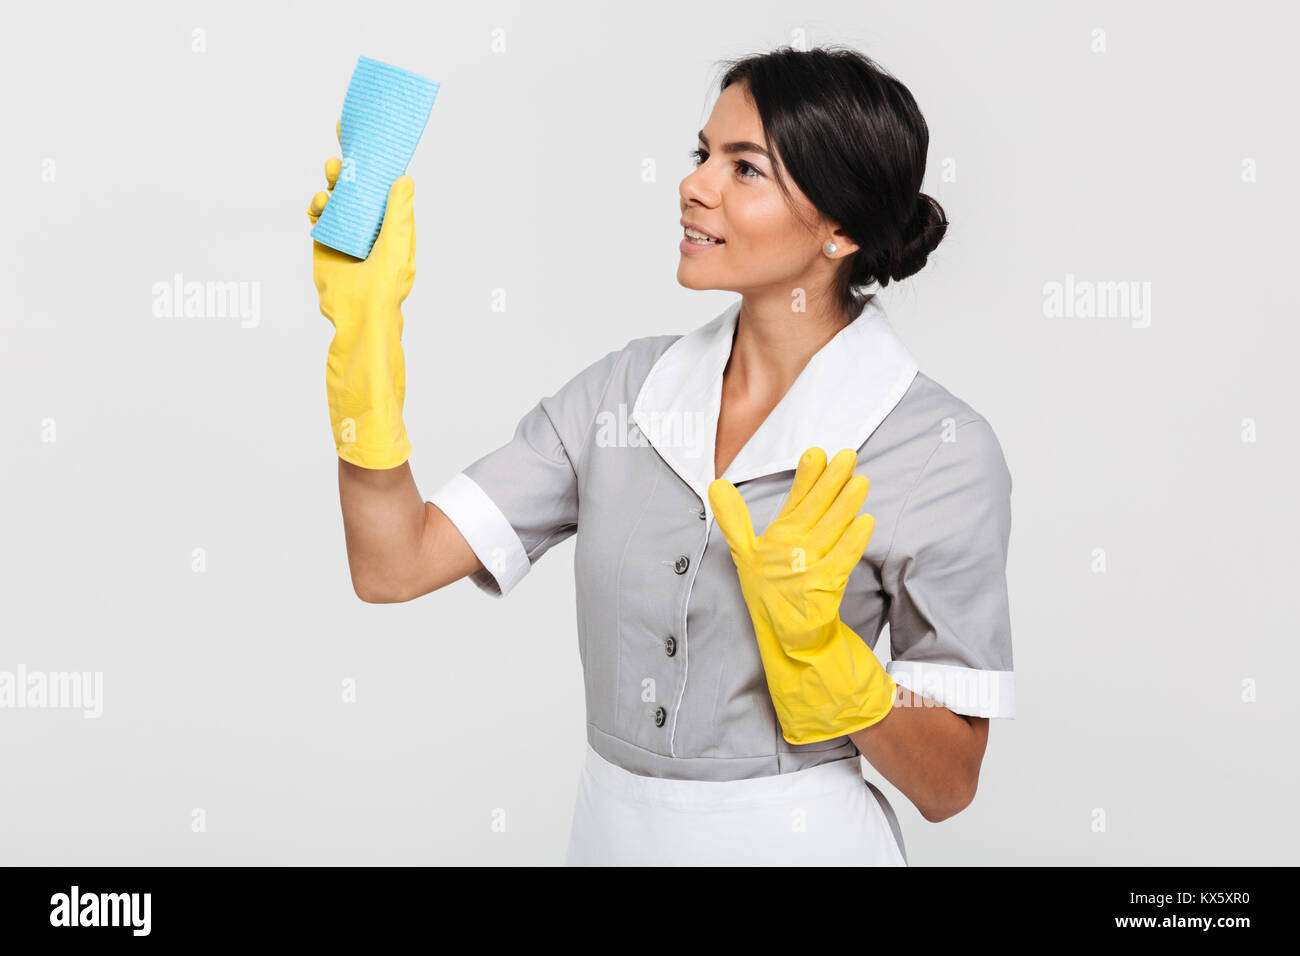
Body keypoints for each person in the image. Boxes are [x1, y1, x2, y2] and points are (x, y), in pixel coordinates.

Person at [308, 44, 1015, 866]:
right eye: (702, 154)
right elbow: (392, 567)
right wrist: (364, 357)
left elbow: (948, 785)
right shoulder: (622, 397)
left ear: (840, 229)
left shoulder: (936, 449)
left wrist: (836, 670)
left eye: (745, 168)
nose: (696, 184)